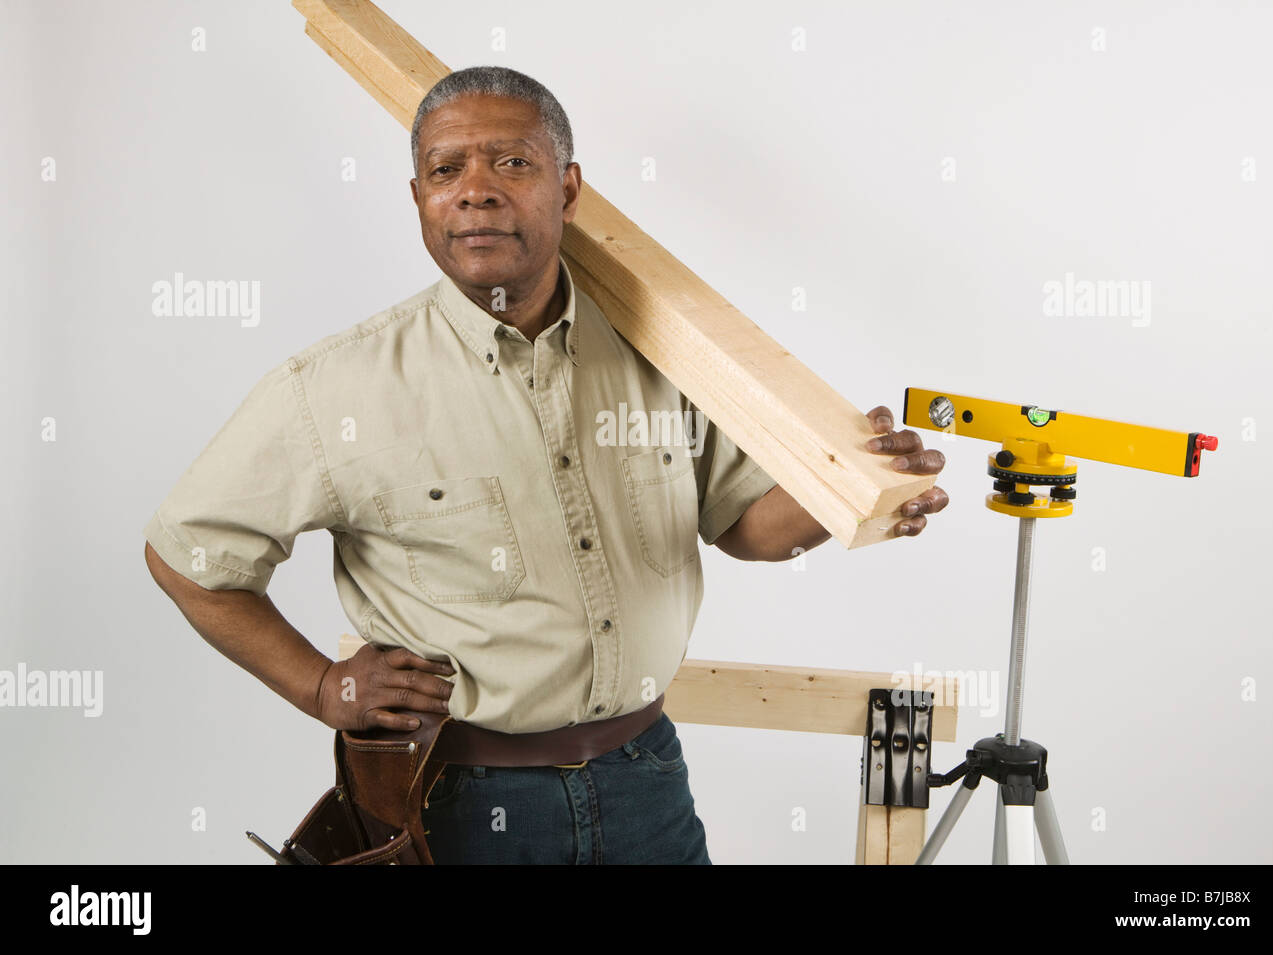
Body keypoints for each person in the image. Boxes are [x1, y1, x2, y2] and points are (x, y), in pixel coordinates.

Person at [142, 65, 948, 865]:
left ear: (567, 190)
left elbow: (745, 525)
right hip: (458, 802)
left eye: (513, 163)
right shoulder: (334, 388)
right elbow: (190, 556)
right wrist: (322, 686)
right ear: (418, 197)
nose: (477, 190)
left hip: (647, 783)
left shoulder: (661, 353)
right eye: (445, 169)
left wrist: (851, 489)